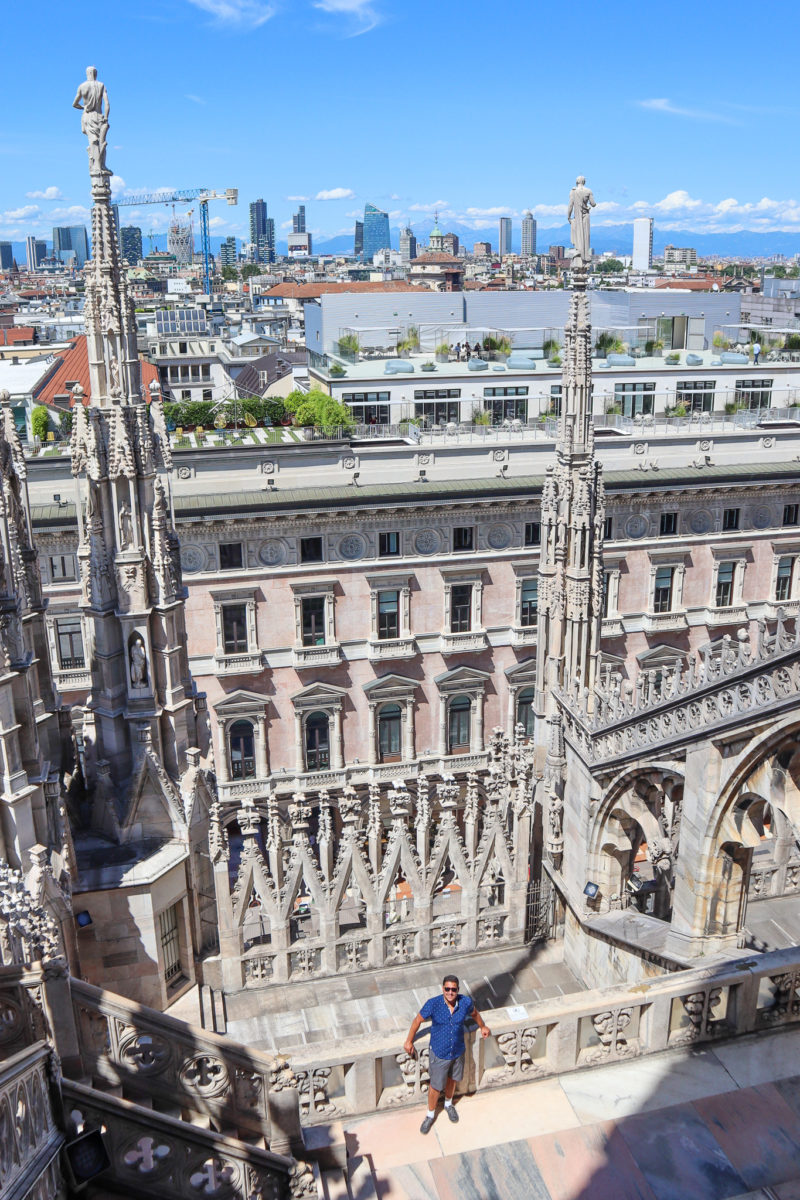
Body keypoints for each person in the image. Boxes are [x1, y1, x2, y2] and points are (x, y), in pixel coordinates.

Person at [404, 974, 490, 1133]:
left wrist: (482, 1026)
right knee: (435, 1087)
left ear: (458, 990)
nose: (450, 992)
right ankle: (430, 1115)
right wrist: (409, 1041)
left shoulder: (465, 1002)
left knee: (452, 1080)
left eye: (453, 989)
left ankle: (448, 1105)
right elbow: (417, 1021)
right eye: (447, 989)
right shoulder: (433, 1004)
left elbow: (475, 1014)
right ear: (442, 989)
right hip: (439, 1052)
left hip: (457, 1051)